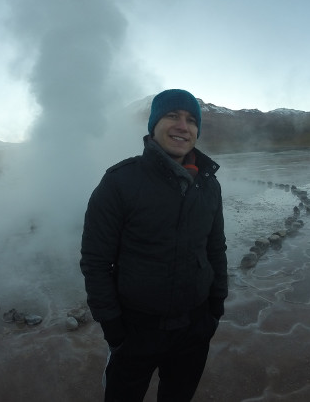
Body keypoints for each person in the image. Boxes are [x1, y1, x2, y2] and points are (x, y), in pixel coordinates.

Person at [80, 89, 229, 402]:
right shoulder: (120, 182)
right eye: (172, 116)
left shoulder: (208, 184)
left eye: (191, 120)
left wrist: (216, 305)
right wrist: (113, 326)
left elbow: (215, 248)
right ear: (154, 125)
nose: (182, 126)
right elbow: (95, 261)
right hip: (136, 329)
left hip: (195, 325)